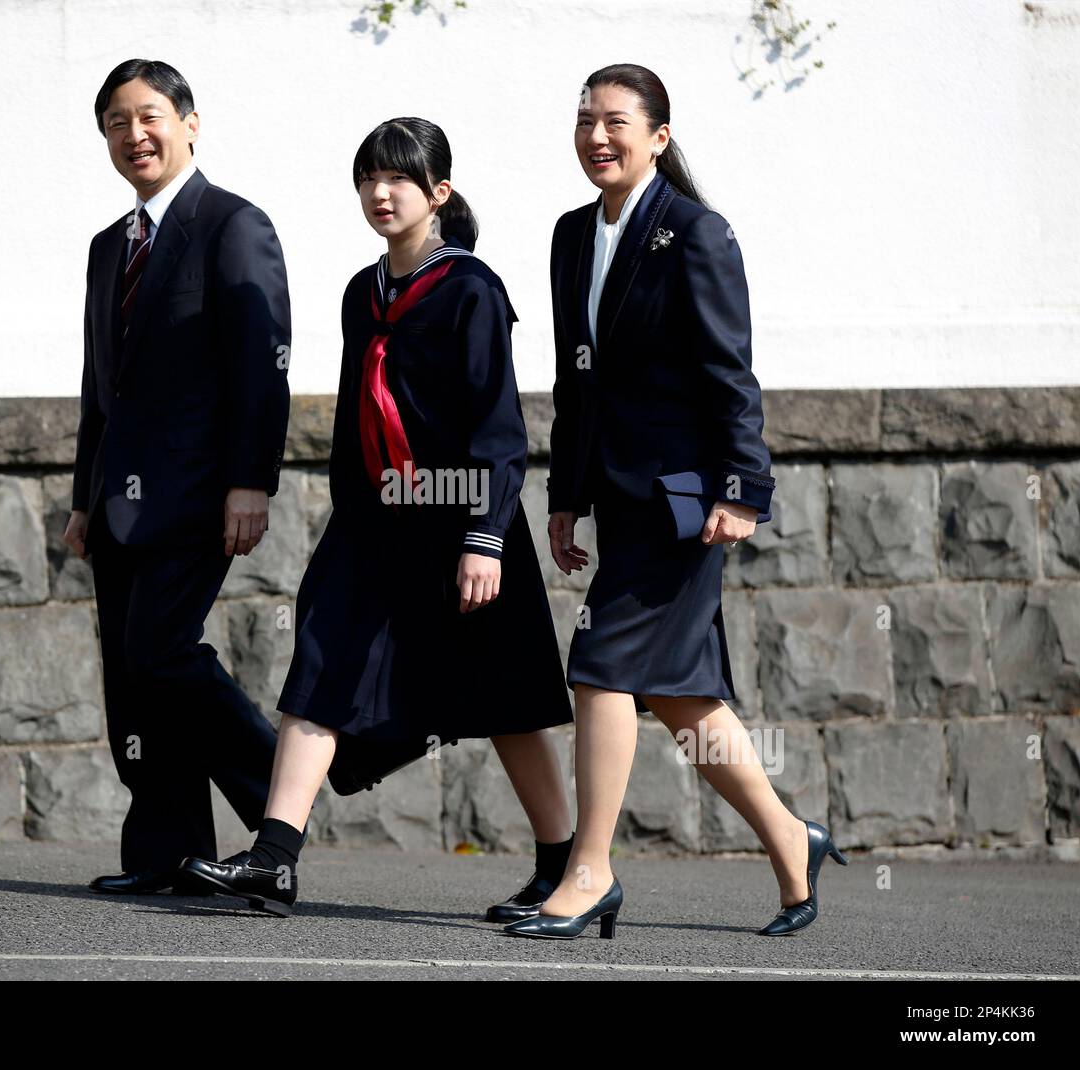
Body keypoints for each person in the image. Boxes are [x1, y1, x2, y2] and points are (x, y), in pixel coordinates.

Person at [179, 117, 577, 920]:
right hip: (374, 523)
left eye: (398, 179)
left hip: (460, 523)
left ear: (439, 193)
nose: (380, 193)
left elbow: (499, 430)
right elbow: (357, 417)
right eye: (368, 177)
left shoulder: (472, 290)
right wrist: (346, 520)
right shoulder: (362, 292)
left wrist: (484, 537)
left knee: (510, 702)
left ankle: (565, 867)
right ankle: (273, 859)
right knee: (318, 670)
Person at [507, 64, 847, 940]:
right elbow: (573, 379)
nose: (596, 137)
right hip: (616, 499)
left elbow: (730, 373)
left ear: (659, 135)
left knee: (598, 668)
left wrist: (742, 490)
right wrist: (565, 494)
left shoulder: (696, 232)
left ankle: (589, 871)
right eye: (584, 121)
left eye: (616, 122)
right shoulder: (570, 236)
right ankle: (791, 838)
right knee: (684, 700)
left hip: (687, 504)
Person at [64, 59, 291, 895]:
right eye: (117, 123)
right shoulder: (107, 247)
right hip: (117, 501)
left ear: (191, 122)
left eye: (150, 116)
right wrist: (83, 498)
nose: (135, 135)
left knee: (161, 650)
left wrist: (250, 481)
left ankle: (281, 790)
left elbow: (260, 369)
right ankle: (166, 853)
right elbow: (100, 387)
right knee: (129, 678)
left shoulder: (233, 224)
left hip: (199, 491)